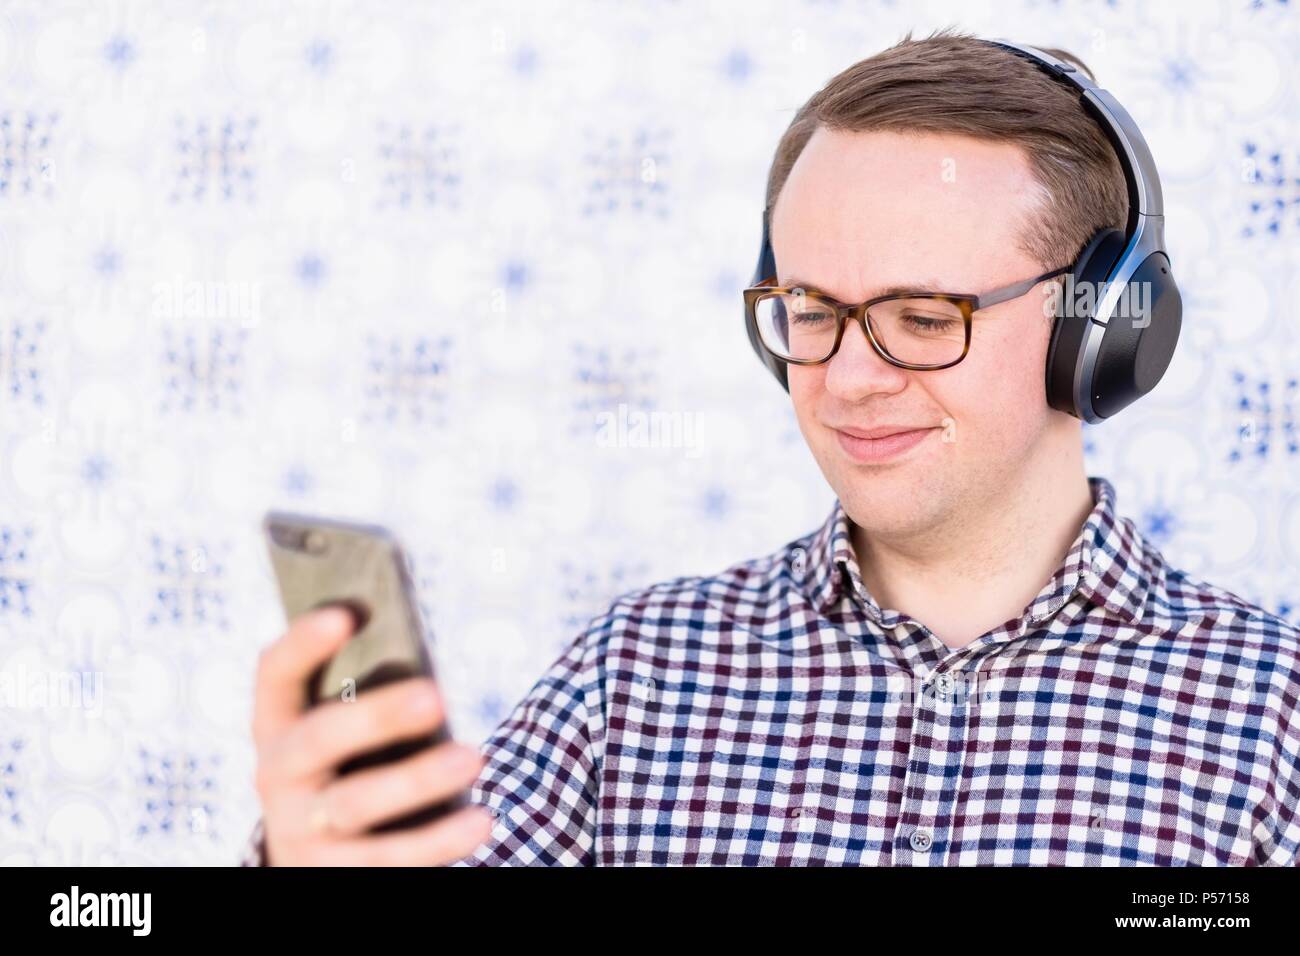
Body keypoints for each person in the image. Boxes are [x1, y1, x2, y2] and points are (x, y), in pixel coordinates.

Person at [241, 28, 1300, 866]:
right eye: (808, 309)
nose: (845, 378)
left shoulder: (1270, 714)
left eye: (924, 317)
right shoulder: (637, 673)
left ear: (1102, 328)